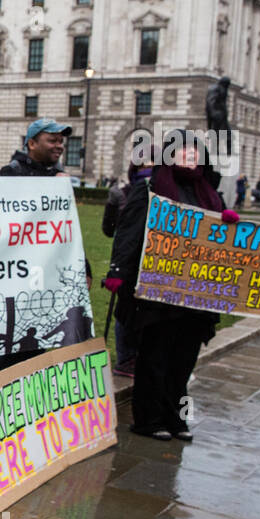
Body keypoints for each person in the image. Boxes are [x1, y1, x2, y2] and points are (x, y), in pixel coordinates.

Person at [104, 129, 236, 442]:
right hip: (158, 294)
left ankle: (176, 419)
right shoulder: (150, 188)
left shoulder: (210, 194)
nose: (189, 157)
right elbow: (128, 232)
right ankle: (149, 420)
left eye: (194, 152)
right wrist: (117, 271)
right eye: (182, 152)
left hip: (196, 294)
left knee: (184, 360)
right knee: (155, 358)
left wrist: (229, 224)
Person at [0, 117, 91, 372]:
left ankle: (28, 399)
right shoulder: (11, 173)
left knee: (39, 345)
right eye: (52, 140)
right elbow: (4, 225)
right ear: (32, 143)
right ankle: (0, 398)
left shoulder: (57, 177)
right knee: (14, 346)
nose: (59, 146)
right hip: (19, 277)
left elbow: (64, 230)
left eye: (61, 141)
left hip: (50, 276)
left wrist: (84, 267)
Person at [102, 159, 152, 377]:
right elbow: (109, 229)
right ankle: (126, 358)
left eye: (152, 166)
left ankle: (139, 354)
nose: (147, 171)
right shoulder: (123, 192)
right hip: (127, 263)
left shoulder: (161, 192)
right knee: (125, 311)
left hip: (149, 263)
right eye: (143, 167)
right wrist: (112, 206)